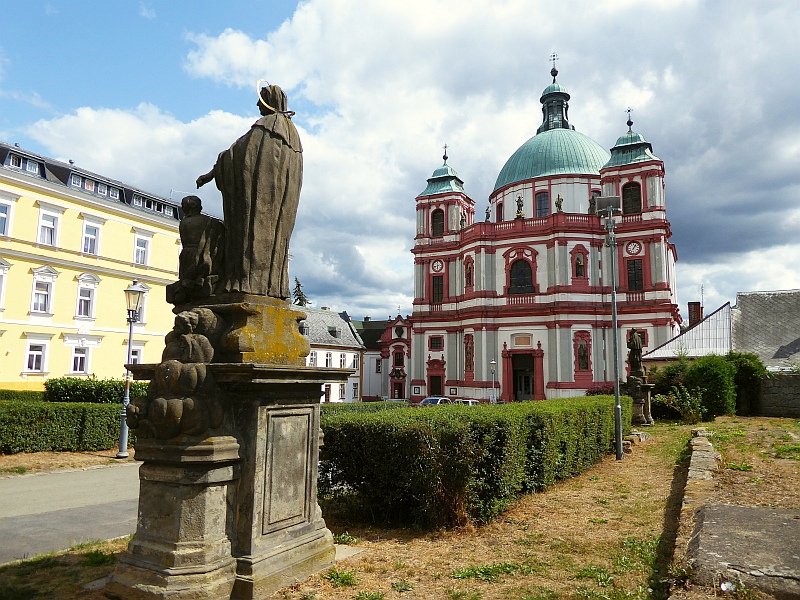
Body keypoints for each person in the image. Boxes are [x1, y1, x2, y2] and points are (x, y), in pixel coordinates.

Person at [197, 84, 302, 299]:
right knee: (276, 241)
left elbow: (238, 155)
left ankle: (245, 283)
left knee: (251, 235)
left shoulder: (265, 126)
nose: (257, 104)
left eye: (261, 100)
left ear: (269, 103)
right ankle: (274, 287)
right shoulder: (292, 134)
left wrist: (217, 165)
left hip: (258, 202)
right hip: (280, 205)